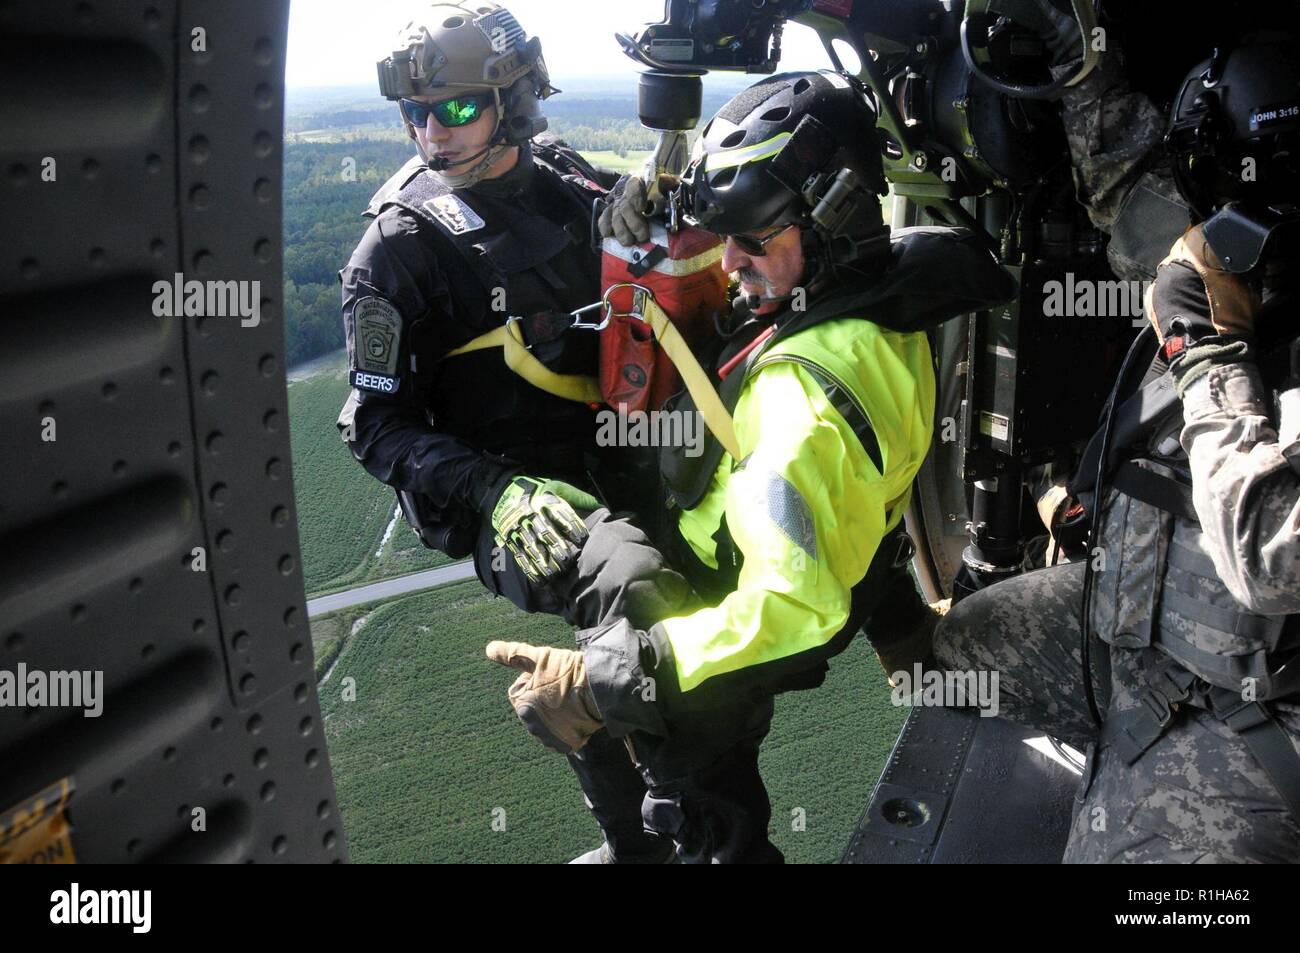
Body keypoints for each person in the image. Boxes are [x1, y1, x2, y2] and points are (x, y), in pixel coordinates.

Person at [486, 70, 1016, 862]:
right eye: (721, 234)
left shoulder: (796, 413)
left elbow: (791, 606)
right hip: (858, 556)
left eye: (752, 239)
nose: (729, 261)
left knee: (701, 818)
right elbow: (847, 501)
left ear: (832, 218)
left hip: (731, 613)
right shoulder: (873, 292)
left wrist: (604, 677)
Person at [336, 1, 690, 864]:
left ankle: (919, 652)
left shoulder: (563, 175)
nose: (431, 131)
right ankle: (676, 824)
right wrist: (496, 494)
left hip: (611, 450)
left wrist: (641, 222)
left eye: (454, 108)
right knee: (636, 586)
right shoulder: (396, 252)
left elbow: (631, 258)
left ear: (517, 100)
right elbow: (373, 425)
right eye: (415, 112)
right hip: (514, 498)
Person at [933, 34, 1300, 862]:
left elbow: (1273, 557)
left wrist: (1209, 353)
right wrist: (1078, 51)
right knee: (952, 657)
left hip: (1258, 710)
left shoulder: (1218, 307)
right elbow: (1130, 188)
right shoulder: (1218, 260)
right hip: (1138, 627)